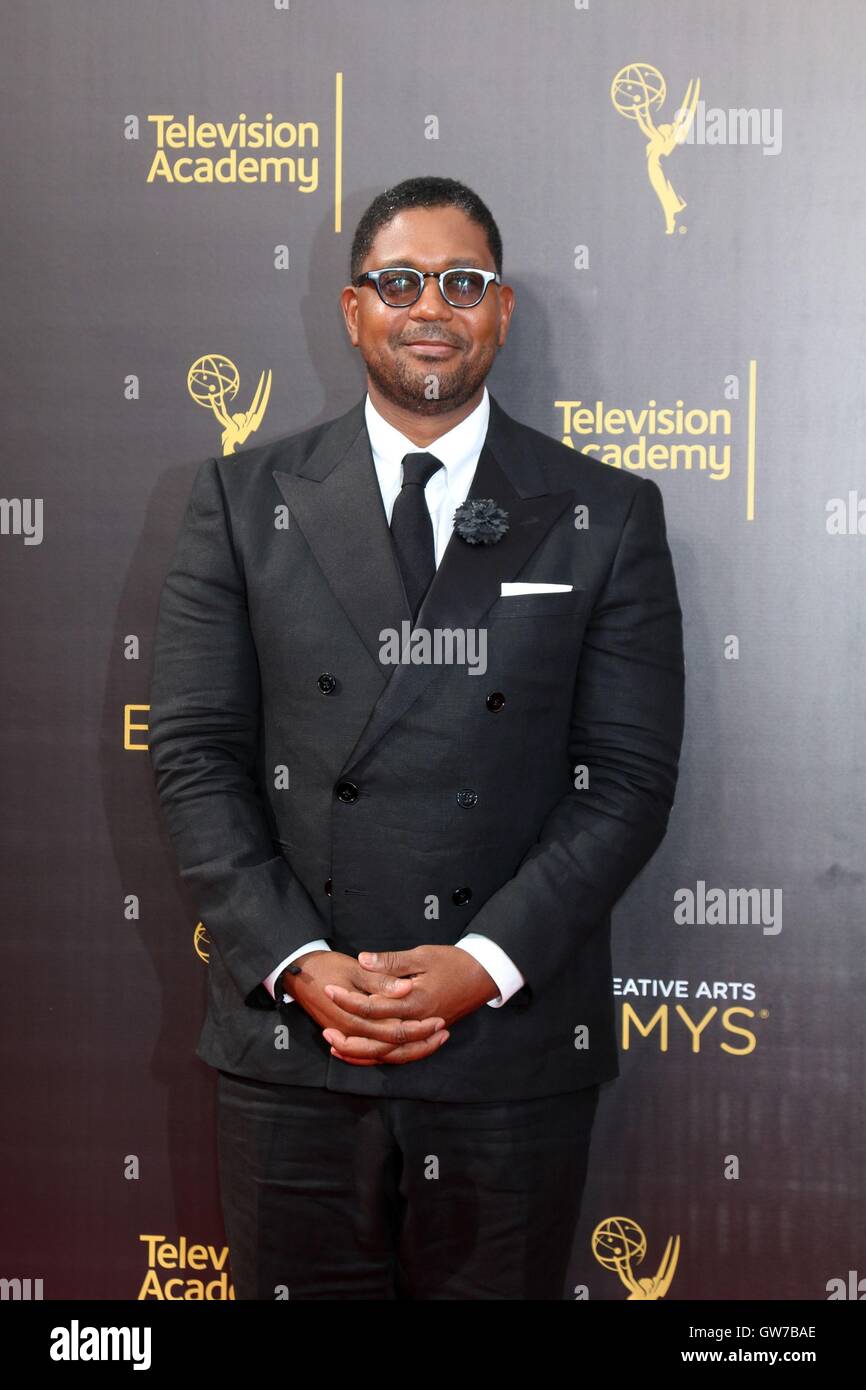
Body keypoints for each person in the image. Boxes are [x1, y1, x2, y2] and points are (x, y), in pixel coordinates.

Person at [148, 175, 685, 1300]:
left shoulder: (604, 510)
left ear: (501, 312)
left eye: (462, 282)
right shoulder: (241, 502)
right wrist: (297, 963)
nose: (429, 306)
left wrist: (479, 966)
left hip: (509, 1049)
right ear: (354, 311)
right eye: (398, 282)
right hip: (295, 1046)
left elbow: (626, 781)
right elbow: (196, 757)